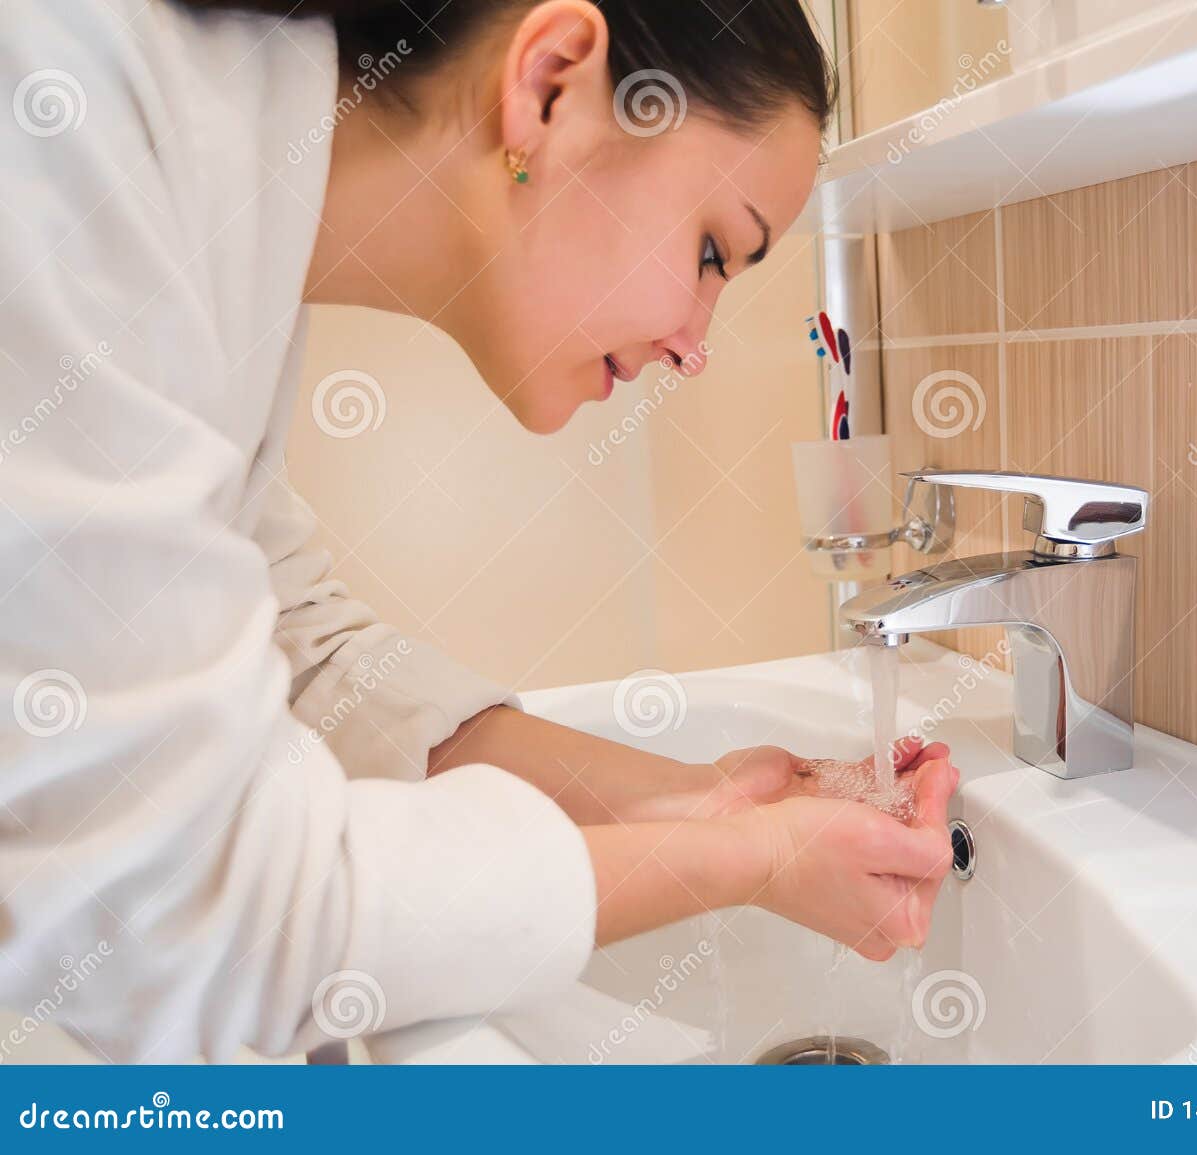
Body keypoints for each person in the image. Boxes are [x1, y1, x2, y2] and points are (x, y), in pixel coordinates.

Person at [0, 0, 956, 1062]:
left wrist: (699, 802)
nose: (696, 349)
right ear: (550, 83)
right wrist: (743, 864)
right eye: (710, 252)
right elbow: (181, 922)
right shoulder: (66, 130)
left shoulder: (217, 231)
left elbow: (303, 655)